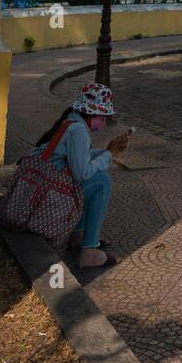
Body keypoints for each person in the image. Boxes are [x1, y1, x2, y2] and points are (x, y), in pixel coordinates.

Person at [34, 82, 128, 268]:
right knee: (101, 181)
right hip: (51, 194)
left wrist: (106, 151)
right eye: (102, 118)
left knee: (97, 178)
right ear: (91, 114)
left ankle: (78, 234)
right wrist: (109, 153)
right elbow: (82, 173)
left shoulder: (72, 121)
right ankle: (89, 250)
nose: (103, 124)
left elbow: (78, 158)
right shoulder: (78, 131)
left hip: (47, 186)